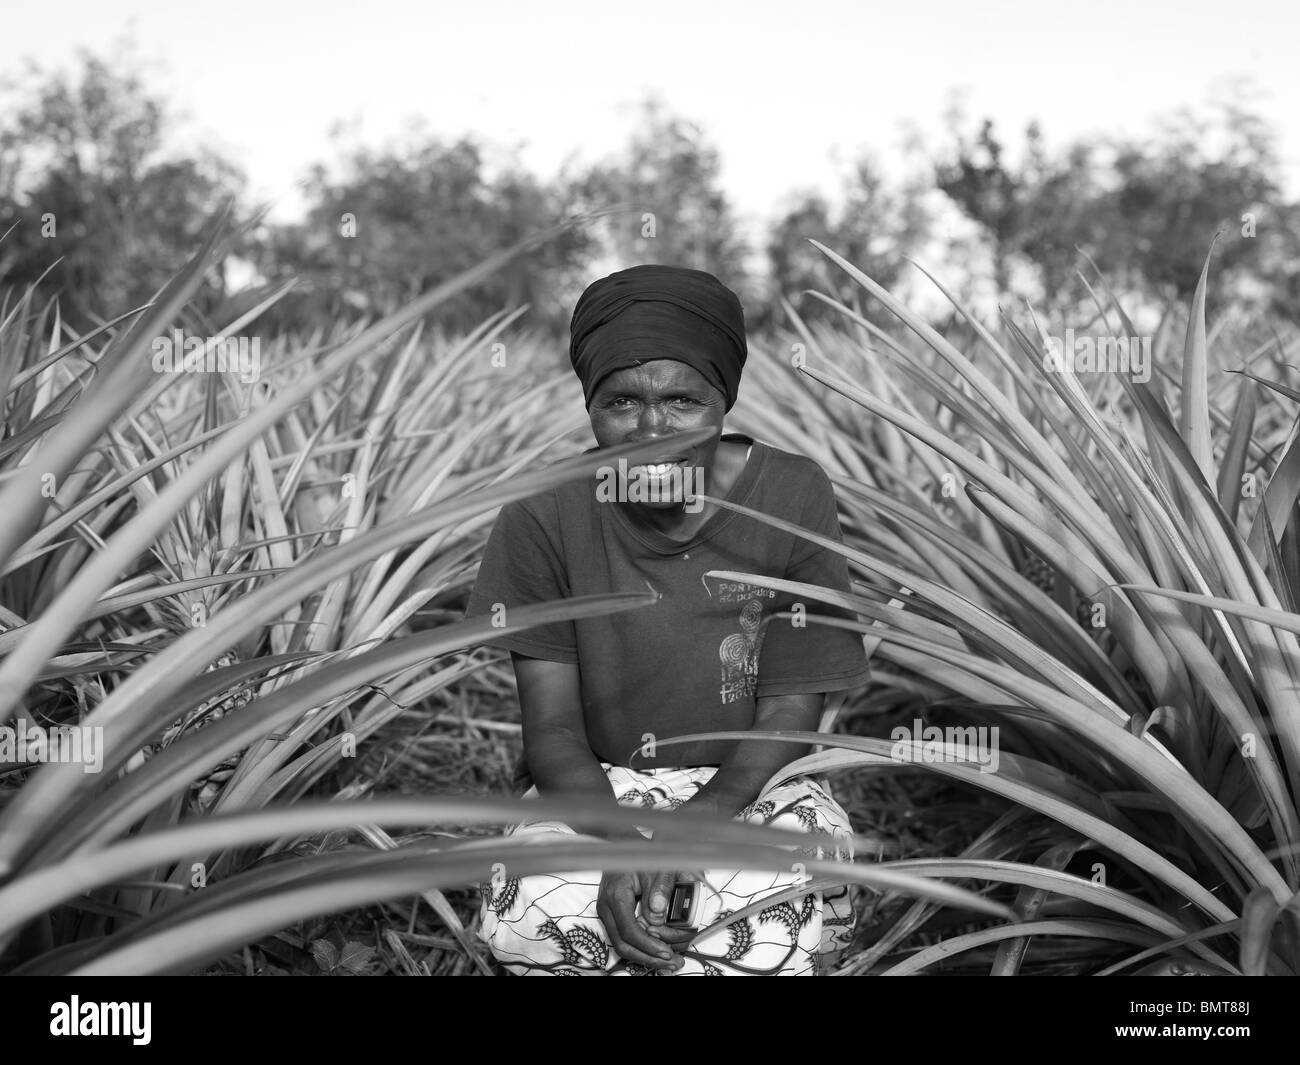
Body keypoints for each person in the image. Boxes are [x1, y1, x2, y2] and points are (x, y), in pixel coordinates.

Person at [465, 264, 871, 975]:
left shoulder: (790, 492)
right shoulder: (542, 516)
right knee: (541, 906)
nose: (652, 430)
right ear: (589, 403)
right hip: (597, 787)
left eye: (683, 399)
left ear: (724, 400)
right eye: (621, 401)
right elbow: (554, 733)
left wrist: (694, 828)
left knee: (770, 902)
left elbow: (788, 712)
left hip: (753, 783)